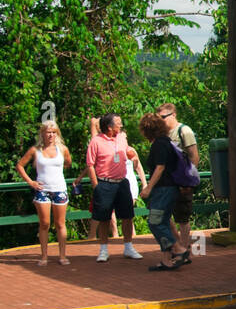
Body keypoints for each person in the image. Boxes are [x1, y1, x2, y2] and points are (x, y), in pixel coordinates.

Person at [15, 121, 75, 266]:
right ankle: (44, 256)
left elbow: (68, 163)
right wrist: (31, 182)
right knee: (44, 223)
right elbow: (20, 165)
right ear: (42, 133)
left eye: (54, 132)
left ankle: (62, 255)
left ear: (57, 134)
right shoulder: (35, 150)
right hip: (43, 190)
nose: (51, 135)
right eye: (48, 132)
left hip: (59, 189)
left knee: (60, 223)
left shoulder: (62, 149)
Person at [86, 113, 144, 262]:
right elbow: (90, 165)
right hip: (104, 183)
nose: (121, 125)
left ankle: (128, 247)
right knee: (104, 218)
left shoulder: (122, 138)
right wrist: (96, 186)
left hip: (122, 182)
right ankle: (104, 250)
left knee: (127, 216)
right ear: (110, 127)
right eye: (118, 123)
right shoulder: (96, 141)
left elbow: (130, 156)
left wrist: (134, 158)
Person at [138, 112, 187, 271]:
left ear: (148, 130)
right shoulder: (167, 142)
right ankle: (166, 260)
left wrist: (148, 188)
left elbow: (160, 168)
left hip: (163, 190)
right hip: (169, 189)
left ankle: (178, 249)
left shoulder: (160, 144)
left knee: (155, 222)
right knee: (163, 222)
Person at [158, 103, 199, 263]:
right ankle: (179, 247)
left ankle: (185, 248)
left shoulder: (184, 131)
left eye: (163, 118)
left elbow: (194, 156)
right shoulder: (163, 134)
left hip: (182, 182)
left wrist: (187, 181)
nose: (160, 121)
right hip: (168, 182)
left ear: (173, 115)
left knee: (182, 217)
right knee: (165, 215)